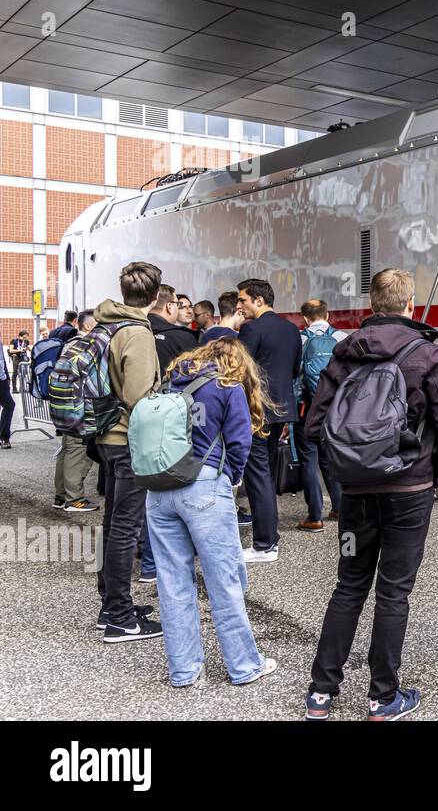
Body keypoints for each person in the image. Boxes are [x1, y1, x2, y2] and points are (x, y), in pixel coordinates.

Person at [302, 268, 438, 720]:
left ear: (372, 305)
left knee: (348, 586)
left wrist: (345, 471)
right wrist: (434, 473)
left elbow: (315, 426)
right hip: (409, 491)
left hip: (356, 495)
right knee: (394, 592)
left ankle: (321, 693)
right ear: (410, 304)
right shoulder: (426, 353)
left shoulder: (343, 352)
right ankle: (383, 697)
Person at [148, 338, 277, 688]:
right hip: (204, 485)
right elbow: (239, 443)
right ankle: (243, 666)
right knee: (225, 581)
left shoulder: (170, 381)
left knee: (172, 582)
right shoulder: (227, 385)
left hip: (158, 488)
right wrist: (230, 480)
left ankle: (184, 671)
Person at [95, 262, 163, 642]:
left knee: (112, 524)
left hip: (106, 437)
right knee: (126, 528)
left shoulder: (107, 322)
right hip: (127, 440)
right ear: (155, 296)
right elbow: (139, 396)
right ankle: (121, 617)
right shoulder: (136, 332)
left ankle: (110, 605)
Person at [237, 278, 301, 563]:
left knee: (258, 476)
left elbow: (238, 368)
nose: (240, 306)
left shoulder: (251, 329)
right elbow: (294, 369)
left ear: (259, 300)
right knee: (266, 475)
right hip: (281, 409)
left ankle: (265, 544)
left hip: (256, 410)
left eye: (243, 300)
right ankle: (268, 538)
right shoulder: (291, 328)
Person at [294, 299, 348, 532]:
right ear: (328, 314)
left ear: (305, 318)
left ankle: (314, 516)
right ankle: (339, 507)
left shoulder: (301, 339)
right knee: (330, 458)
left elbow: (295, 376)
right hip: (335, 410)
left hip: (308, 408)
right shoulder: (342, 338)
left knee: (309, 459)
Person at [53, 310, 99, 512]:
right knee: (78, 450)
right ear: (88, 326)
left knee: (67, 449)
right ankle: (74, 499)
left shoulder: (69, 345)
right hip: (77, 407)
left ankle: (61, 496)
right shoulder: (85, 346)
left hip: (64, 406)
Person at [149, 285, 199, 371]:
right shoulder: (182, 337)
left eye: (190, 306)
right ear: (169, 306)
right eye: (178, 305)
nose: (188, 310)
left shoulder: (136, 329)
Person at [0, 332, 13, 451]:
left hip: (1, 379)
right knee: (9, 404)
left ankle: (4, 437)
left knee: (9, 404)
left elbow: (2, 359)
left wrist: (7, 377)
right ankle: (4, 437)